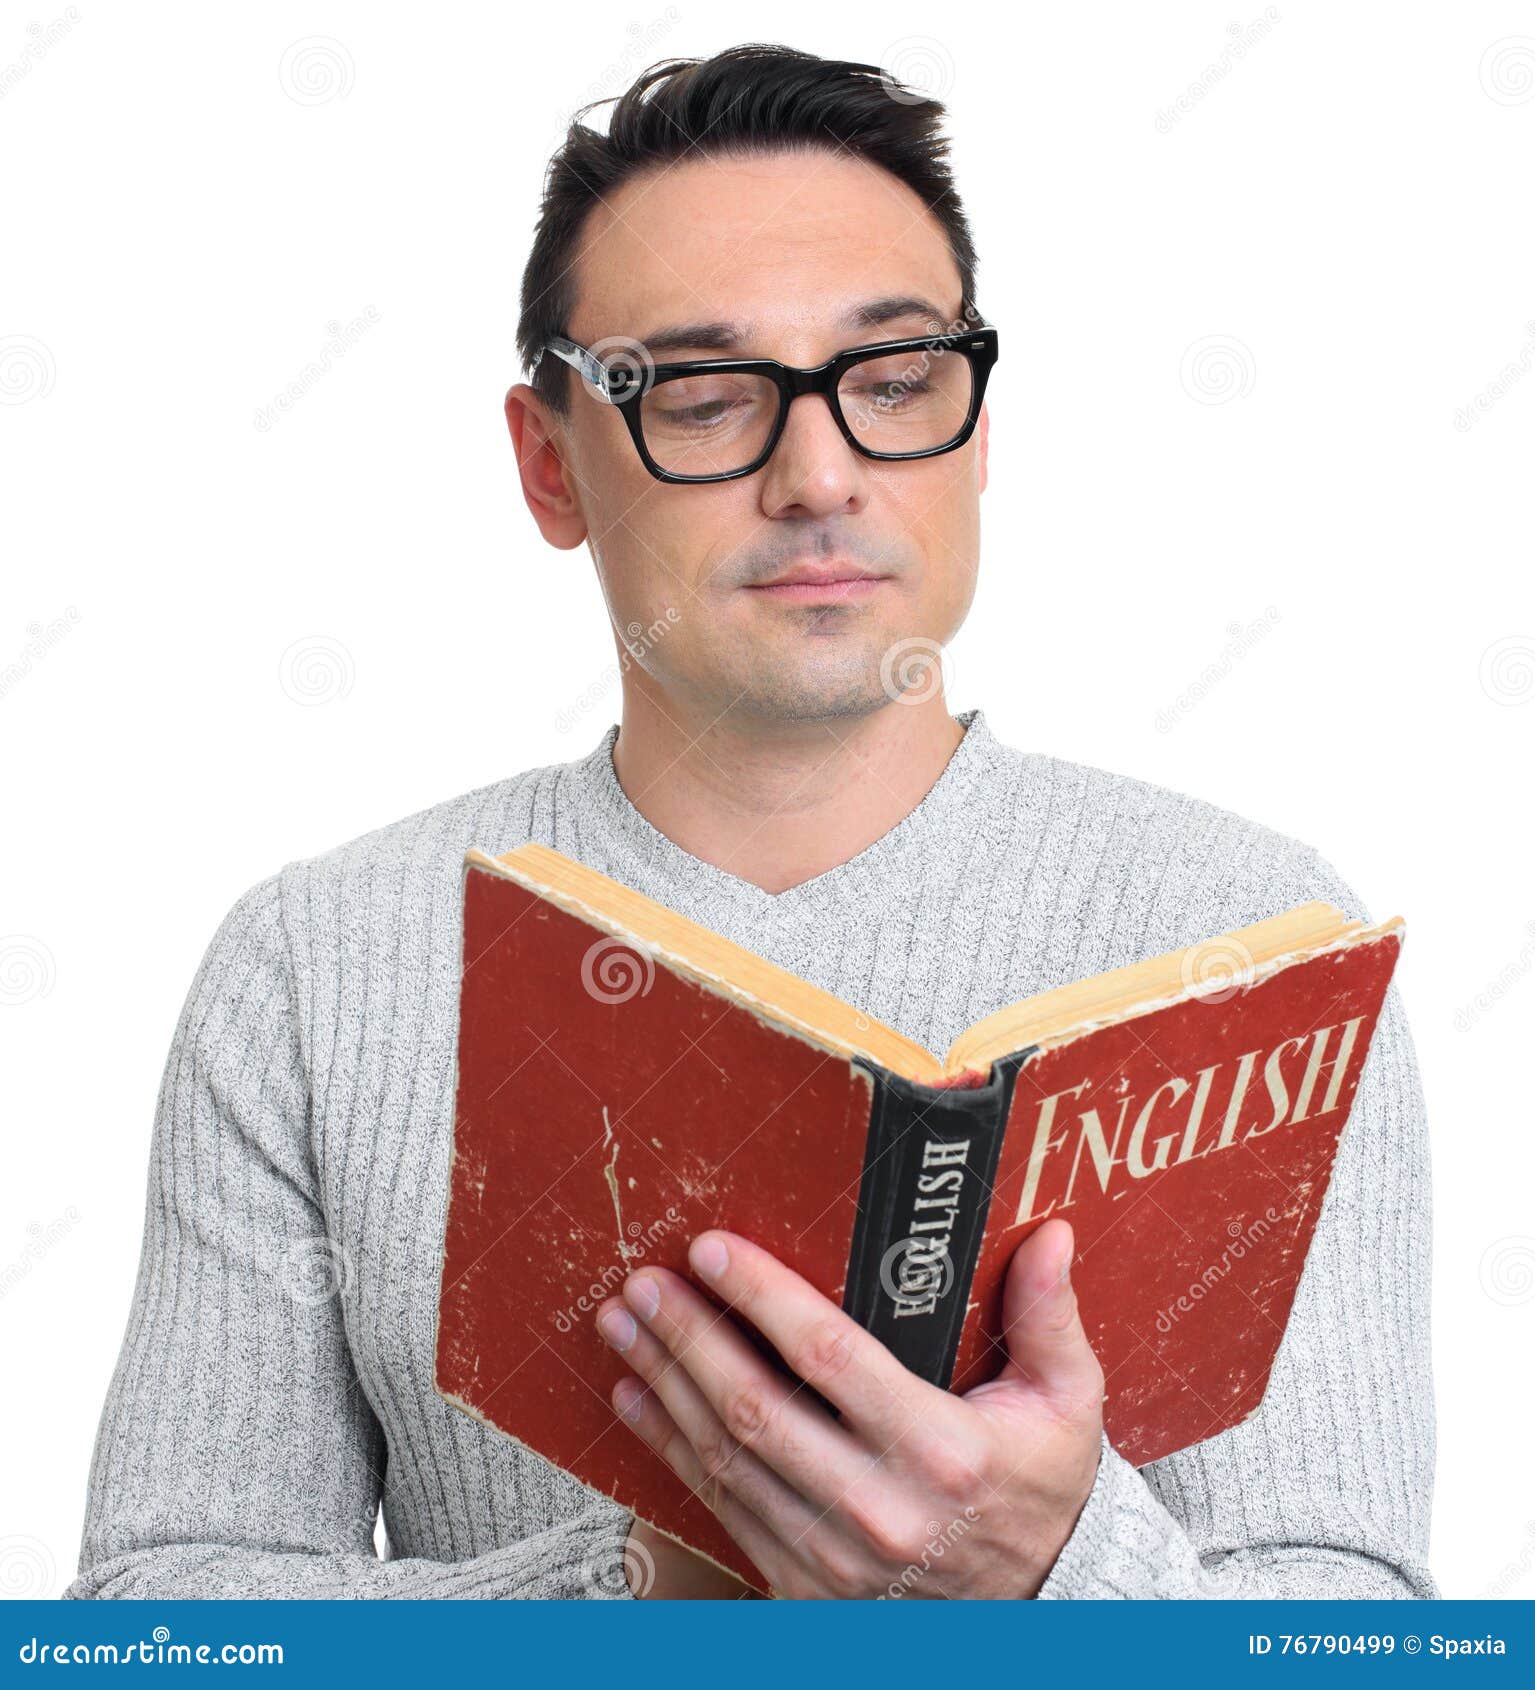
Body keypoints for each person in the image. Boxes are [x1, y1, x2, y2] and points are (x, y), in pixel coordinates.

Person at [67, 43, 1435, 1601]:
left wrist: (1055, 1568)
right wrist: (645, 1580)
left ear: (978, 427)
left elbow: (1359, 1630)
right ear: (548, 461)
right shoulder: (316, 968)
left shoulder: (1255, 944)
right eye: (708, 398)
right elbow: (159, 1620)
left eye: (895, 380)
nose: (820, 471)